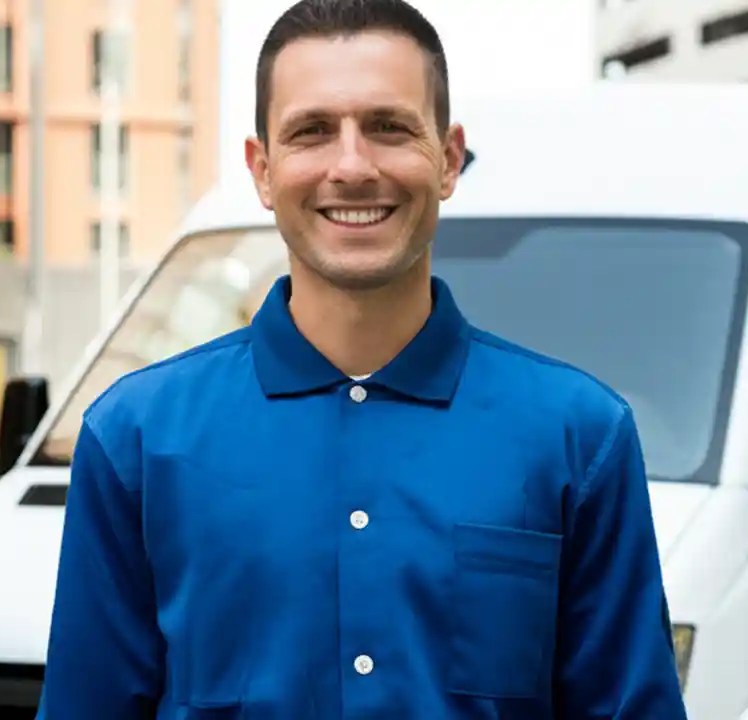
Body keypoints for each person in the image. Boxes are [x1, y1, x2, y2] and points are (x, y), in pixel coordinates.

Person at [37, 0, 688, 717]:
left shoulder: (577, 437)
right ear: (262, 169)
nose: (351, 166)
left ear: (448, 159)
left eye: (389, 127)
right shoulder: (135, 440)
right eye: (312, 131)